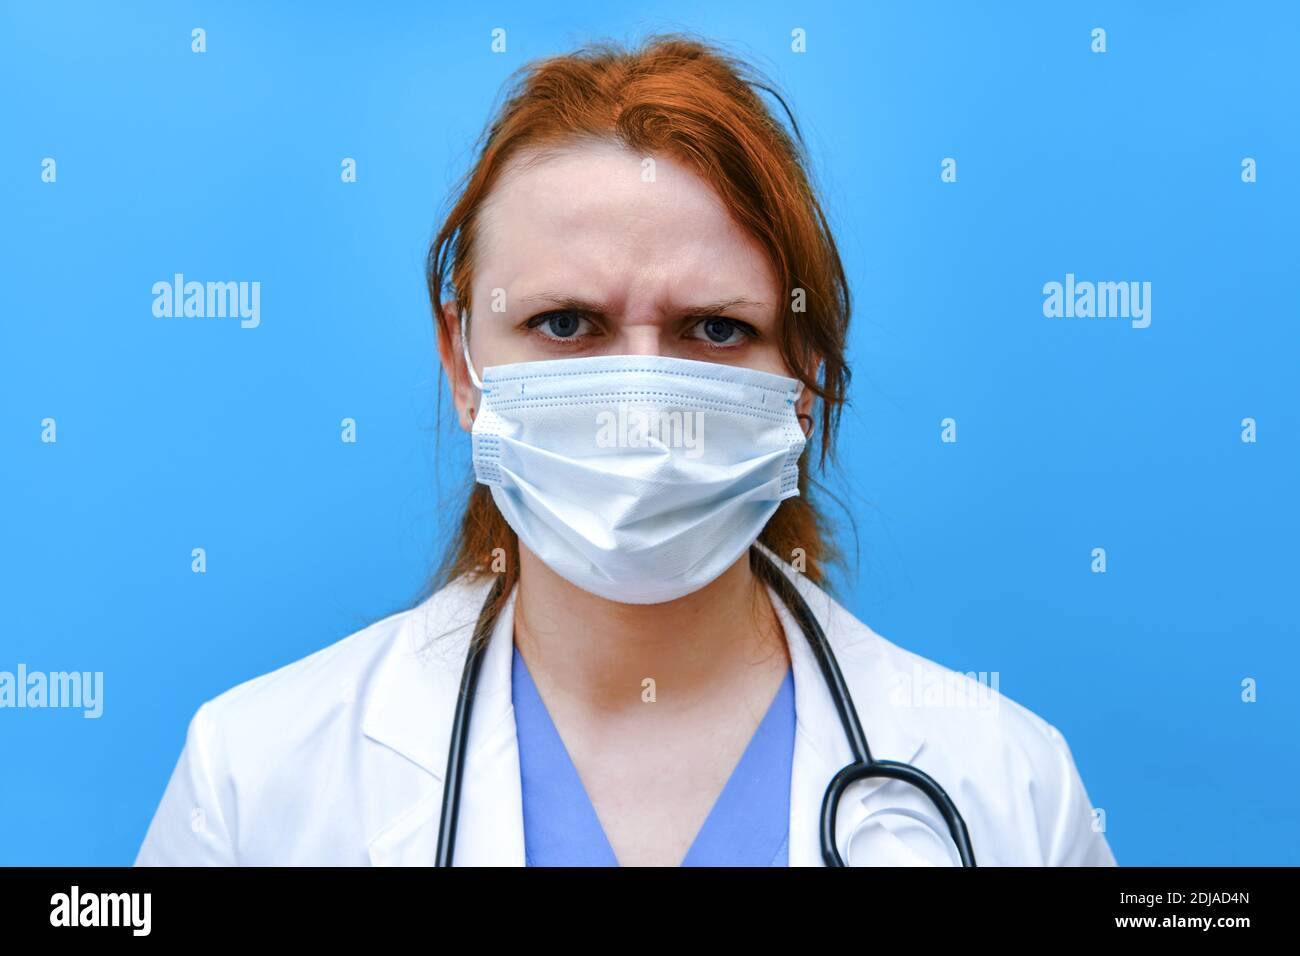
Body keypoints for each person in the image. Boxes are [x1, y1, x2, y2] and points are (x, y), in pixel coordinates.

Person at [135, 34, 1116, 867]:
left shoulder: (1002, 786)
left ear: (805, 379)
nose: (641, 403)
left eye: (714, 329)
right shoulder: (256, 775)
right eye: (566, 322)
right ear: (462, 362)